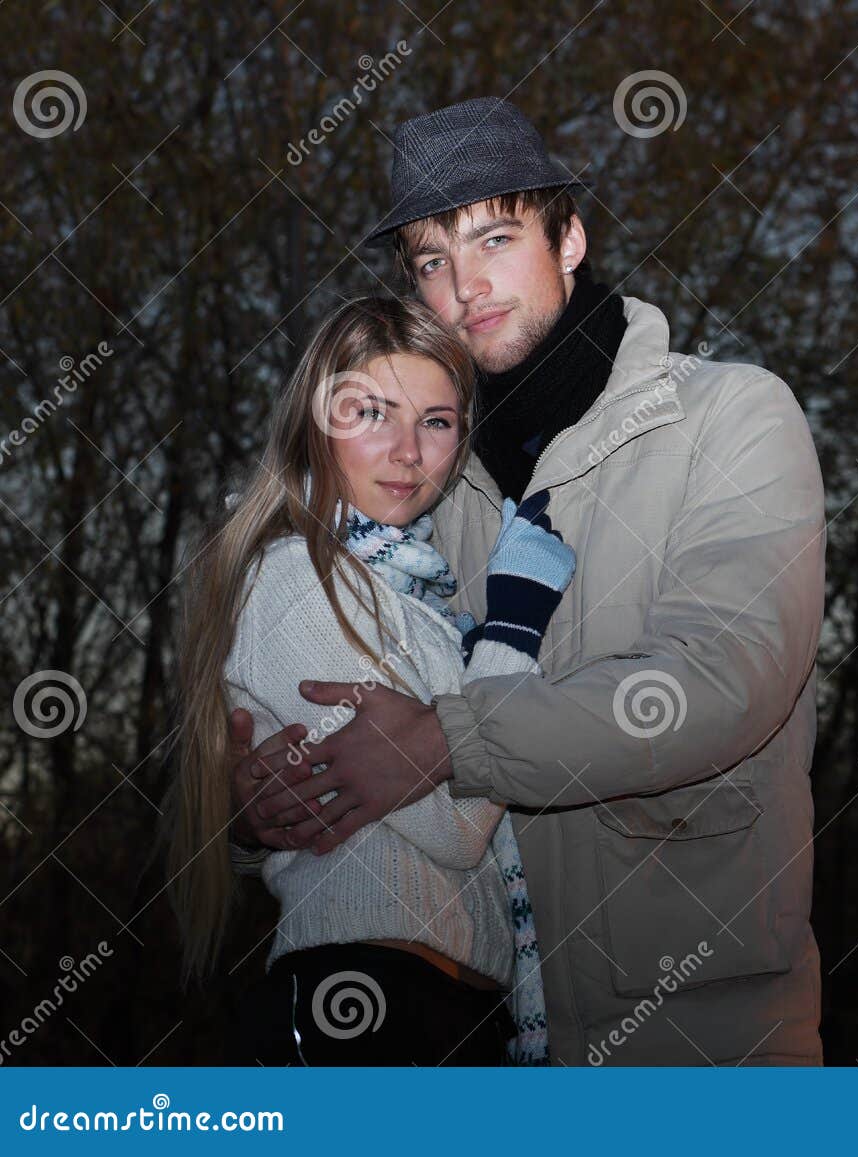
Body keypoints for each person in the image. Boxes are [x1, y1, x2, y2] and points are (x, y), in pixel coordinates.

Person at [228, 97, 827, 1065]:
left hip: (704, 1042)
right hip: (478, 1039)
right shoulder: (423, 483)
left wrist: (446, 740)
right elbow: (345, 701)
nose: (464, 286)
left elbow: (723, 681)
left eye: (495, 238)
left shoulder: (732, 417)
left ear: (571, 238)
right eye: (431, 260)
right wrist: (272, 796)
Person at [166, 295, 574, 1065]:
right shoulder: (297, 578)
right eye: (372, 413)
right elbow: (456, 828)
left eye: (437, 421)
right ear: (315, 425)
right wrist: (514, 629)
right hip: (363, 1003)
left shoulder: (411, 592)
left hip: (446, 1007)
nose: (409, 453)